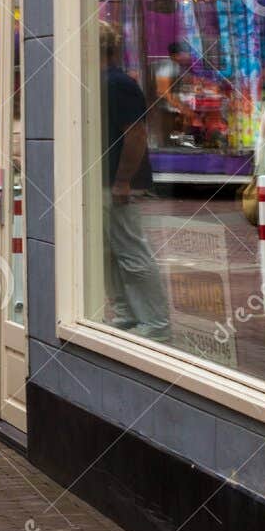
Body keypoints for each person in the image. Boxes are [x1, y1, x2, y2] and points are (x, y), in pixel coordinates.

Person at [101, 23, 171, 341]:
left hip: (115, 181)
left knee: (129, 249)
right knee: (110, 250)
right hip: (105, 180)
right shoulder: (106, 81)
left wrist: (122, 181)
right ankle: (127, 314)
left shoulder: (117, 84)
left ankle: (155, 323)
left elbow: (136, 134)